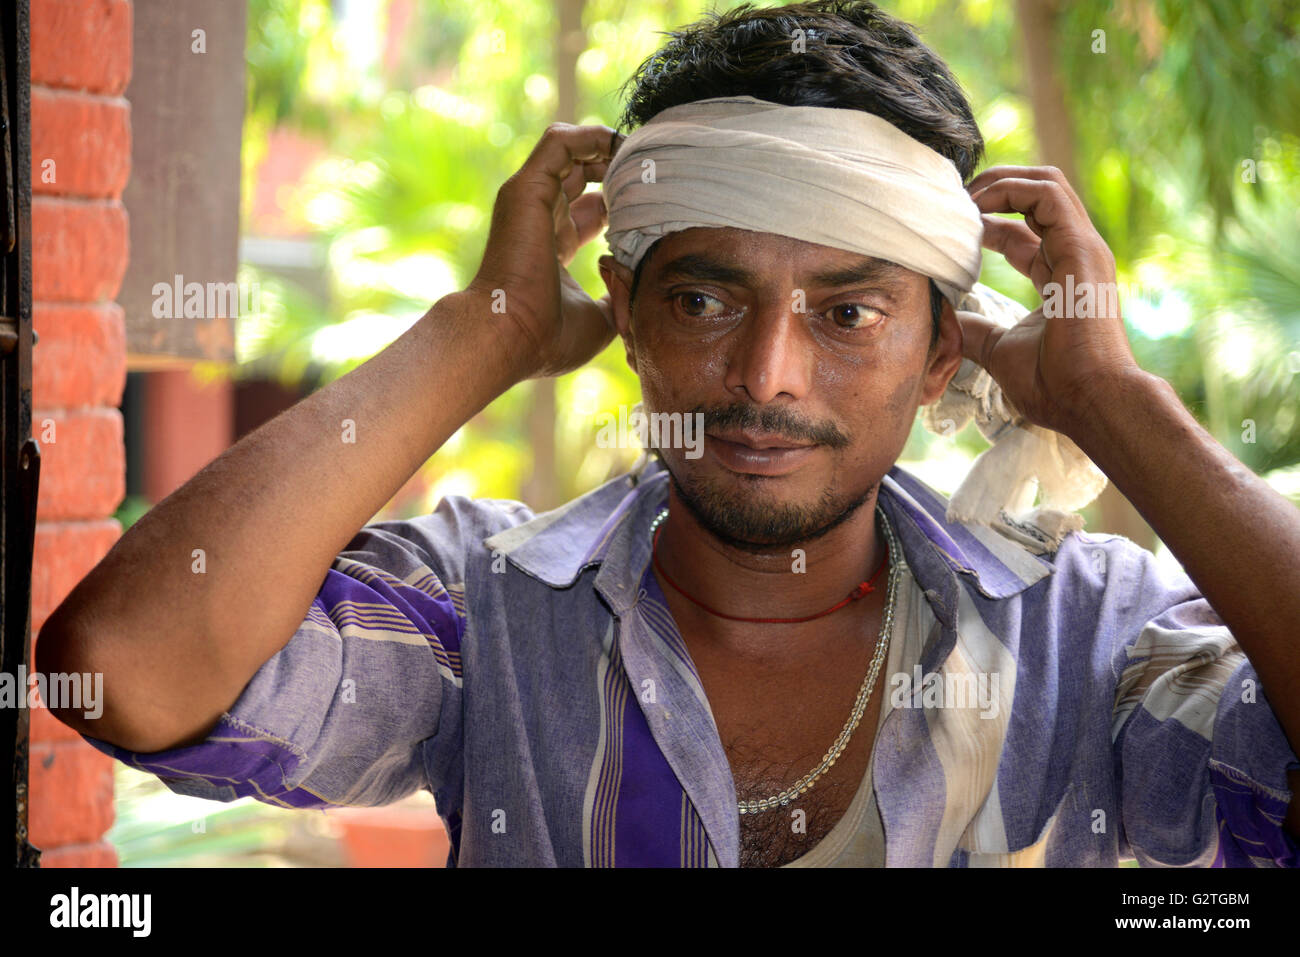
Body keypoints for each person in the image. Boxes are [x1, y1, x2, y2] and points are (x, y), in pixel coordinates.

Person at [39, 0, 1299, 868]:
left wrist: (1111, 405)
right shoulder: (487, 614)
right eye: (703, 298)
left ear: (938, 357)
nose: (763, 375)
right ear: (628, 319)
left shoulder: (1077, 636)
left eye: (848, 310)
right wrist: (482, 330)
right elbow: (124, 669)